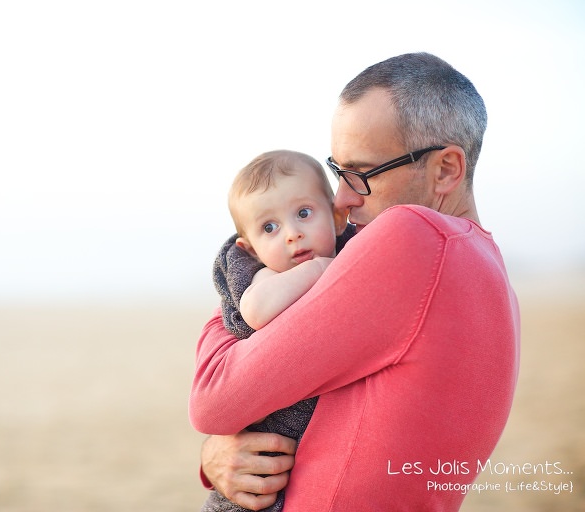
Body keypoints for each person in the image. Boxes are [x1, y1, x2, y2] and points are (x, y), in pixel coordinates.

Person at [188, 52, 521, 511]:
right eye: (337, 172)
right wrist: (222, 457)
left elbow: (213, 398)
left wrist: (235, 273)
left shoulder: (413, 235)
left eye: (361, 174)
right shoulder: (486, 268)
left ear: (445, 169)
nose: (342, 199)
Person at [205, 150, 351, 512]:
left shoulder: (356, 250)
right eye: (270, 227)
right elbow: (255, 310)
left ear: (336, 217)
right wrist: (319, 270)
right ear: (250, 248)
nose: (292, 234)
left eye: (303, 213)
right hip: (257, 468)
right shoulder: (267, 276)